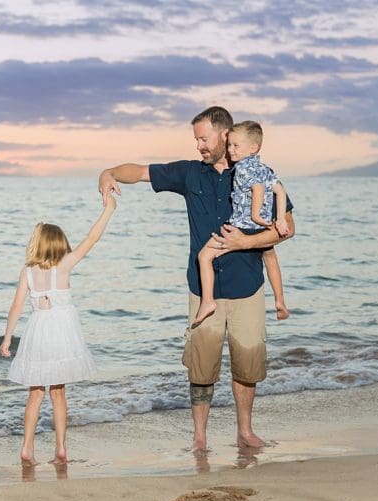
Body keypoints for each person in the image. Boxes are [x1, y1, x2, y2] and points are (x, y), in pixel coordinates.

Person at [98, 106, 294, 451]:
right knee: (200, 368)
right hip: (202, 289)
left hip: (247, 287)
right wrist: (109, 172)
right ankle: (200, 437)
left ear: (224, 135)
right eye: (196, 140)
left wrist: (244, 242)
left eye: (203, 139)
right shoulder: (190, 174)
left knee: (247, 366)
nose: (199, 146)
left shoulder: (254, 172)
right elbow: (141, 172)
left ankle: (245, 432)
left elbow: (286, 229)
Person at [0, 194, 117, 466]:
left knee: (35, 393)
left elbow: (16, 306)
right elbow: (91, 239)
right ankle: (61, 448)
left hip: (38, 331)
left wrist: (7, 338)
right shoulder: (64, 266)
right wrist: (108, 211)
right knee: (58, 392)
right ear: (58, 244)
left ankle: (27, 448)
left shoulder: (27, 271)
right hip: (62, 332)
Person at [194, 120, 291, 327]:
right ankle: (280, 301)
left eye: (235, 146)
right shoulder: (265, 168)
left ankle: (208, 302)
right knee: (270, 256)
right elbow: (280, 191)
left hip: (242, 225)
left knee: (204, 256)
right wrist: (280, 219)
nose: (230, 150)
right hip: (263, 227)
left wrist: (255, 215)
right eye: (229, 145)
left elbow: (256, 189)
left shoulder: (242, 168)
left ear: (253, 148)